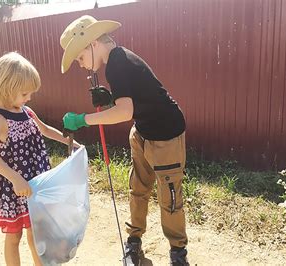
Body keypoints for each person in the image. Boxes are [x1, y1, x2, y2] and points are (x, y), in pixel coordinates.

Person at [60, 15, 189, 266]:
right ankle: (134, 243)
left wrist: (82, 120)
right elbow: (132, 101)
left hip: (165, 135)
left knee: (169, 197)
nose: (80, 63)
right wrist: (110, 99)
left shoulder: (116, 62)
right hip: (142, 132)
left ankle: (177, 253)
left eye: (80, 57)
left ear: (92, 43)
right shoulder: (117, 59)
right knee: (138, 189)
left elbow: (124, 112)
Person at [0, 52, 79, 265]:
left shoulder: (27, 111)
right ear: (7, 88)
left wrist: (72, 144)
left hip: (36, 184)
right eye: (25, 93)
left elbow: (45, 130)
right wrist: (16, 179)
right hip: (16, 188)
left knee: (37, 232)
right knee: (14, 236)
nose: (29, 97)